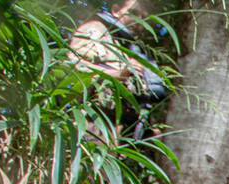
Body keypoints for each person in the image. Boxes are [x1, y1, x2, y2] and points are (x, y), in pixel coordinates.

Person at [69, 1, 167, 140]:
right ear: (116, 10)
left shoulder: (134, 49)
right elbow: (74, 73)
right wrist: (119, 74)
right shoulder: (96, 31)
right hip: (96, 127)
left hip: (124, 134)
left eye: (144, 17)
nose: (138, 20)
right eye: (134, 13)